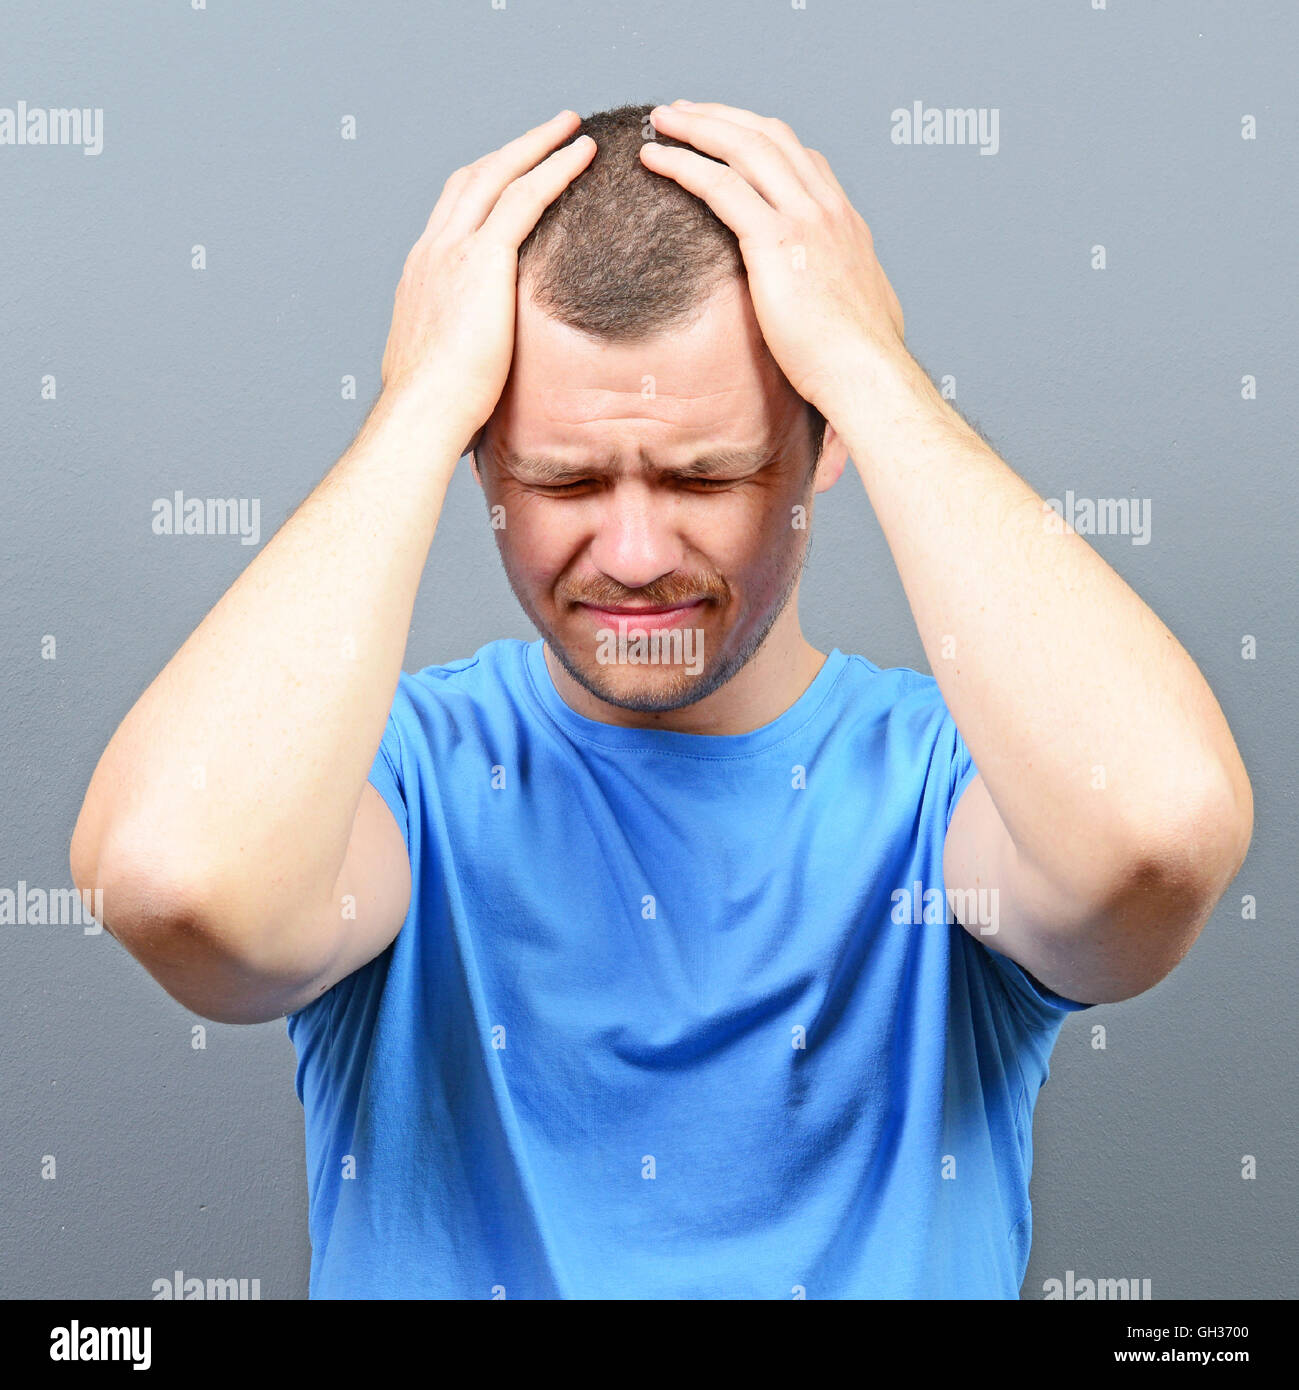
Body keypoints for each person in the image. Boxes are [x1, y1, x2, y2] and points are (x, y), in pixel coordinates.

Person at [69, 101, 1253, 1299]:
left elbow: (1155, 837)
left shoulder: (962, 795)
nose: (634, 552)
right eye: (563, 478)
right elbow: (178, 884)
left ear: (820, 443)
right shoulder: (394, 785)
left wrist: (874, 374)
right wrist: (417, 406)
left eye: (709, 474)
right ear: (483, 458)